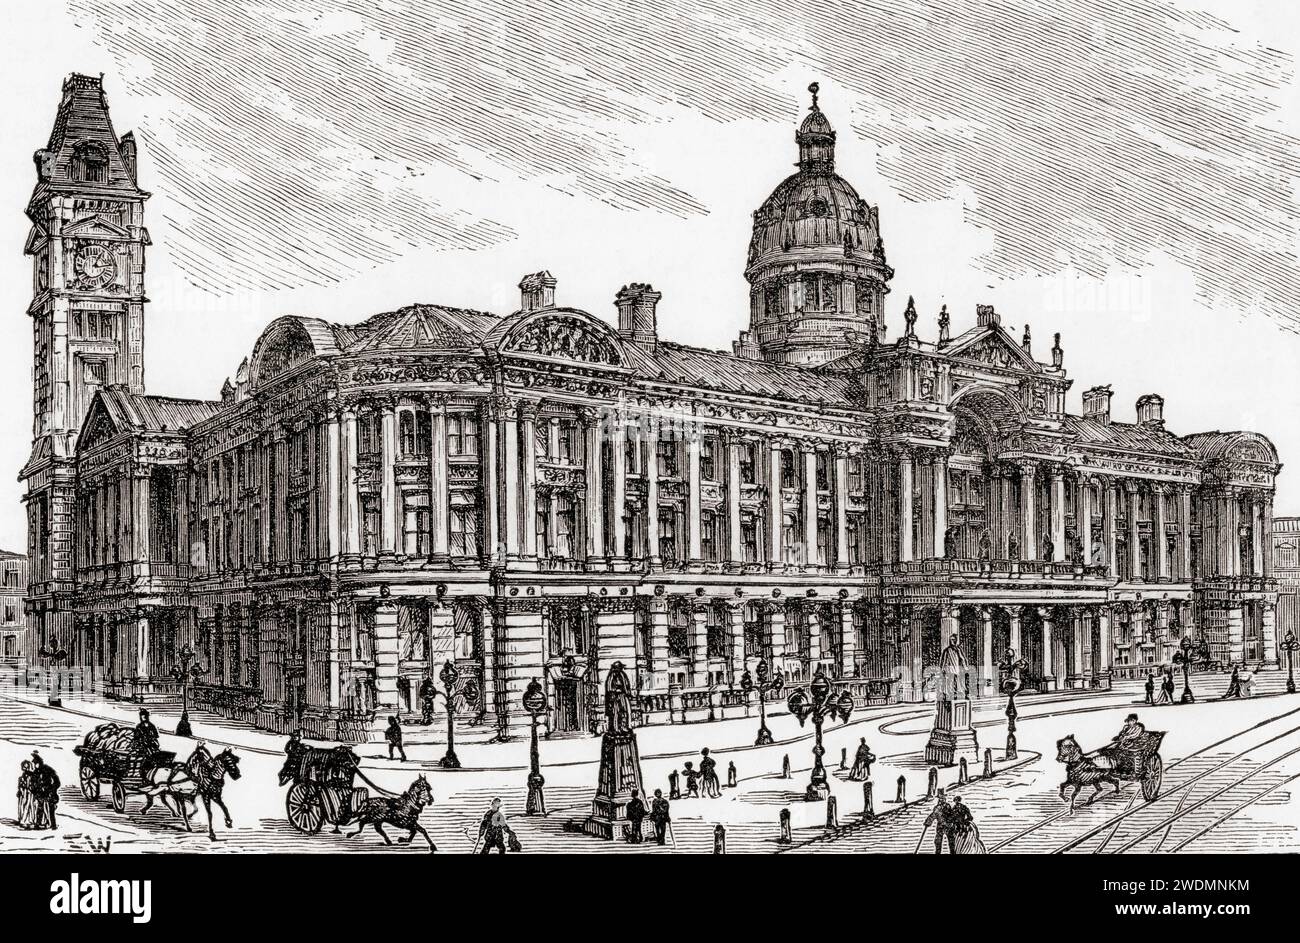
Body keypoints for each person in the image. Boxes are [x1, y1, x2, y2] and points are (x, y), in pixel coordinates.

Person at [30, 752, 60, 830]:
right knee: (40, 809)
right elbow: (32, 784)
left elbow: (57, 782)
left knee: (51, 809)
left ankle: (53, 825)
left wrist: (52, 789)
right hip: (40, 794)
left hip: (49, 793)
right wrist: (35, 791)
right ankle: (38, 824)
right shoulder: (35, 772)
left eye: (35, 763)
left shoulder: (48, 769)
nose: (35, 765)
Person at [923, 789, 956, 854]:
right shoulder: (938, 807)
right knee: (938, 841)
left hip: (947, 826)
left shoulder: (947, 806)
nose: (942, 799)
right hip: (941, 826)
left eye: (943, 798)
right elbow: (933, 815)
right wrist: (928, 822)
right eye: (941, 798)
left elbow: (952, 815)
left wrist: (952, 822)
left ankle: (953, 852)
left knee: (951, 840)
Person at [938, 634, 969, 700]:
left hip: (957, 670)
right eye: (951, 640)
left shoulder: (958, 649)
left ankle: (958, 695)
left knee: (958, 683)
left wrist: (965, 667)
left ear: (956, 640)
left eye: (953, 640)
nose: (952, 641)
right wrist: (942, 669)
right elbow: (943, 661)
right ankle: (949, 696)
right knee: (949, 683)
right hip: (949, 670)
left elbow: (962, 659)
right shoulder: (946, 650)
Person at [16, 760, 36, 829]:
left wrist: (31, 788)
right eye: (24, 767)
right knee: (24, 806)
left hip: (30, 793)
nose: (26, 769)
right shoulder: (23, 776)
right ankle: (23, 821)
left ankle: (30, 821)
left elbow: (33, 784)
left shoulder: (32, 775)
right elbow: (21, 784)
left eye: (27, 767)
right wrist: (21, 789)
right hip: (24, 792)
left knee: (31, 807)